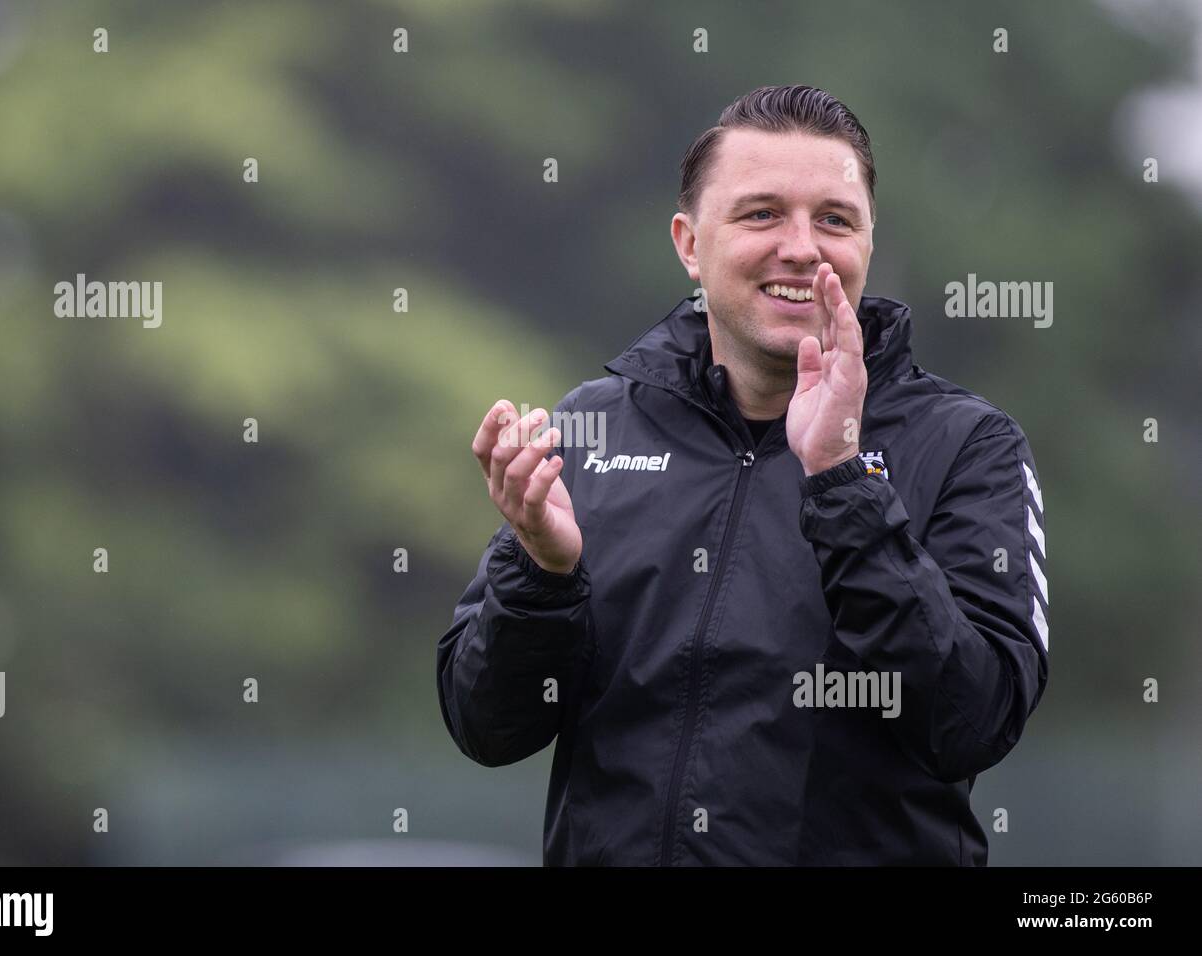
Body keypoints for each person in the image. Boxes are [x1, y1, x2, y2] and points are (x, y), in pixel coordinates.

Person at [436, 85, 1050, 865]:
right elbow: (484, 726)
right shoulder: (591, 430)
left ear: (868, 241)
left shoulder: (969, 445)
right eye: (762, 214)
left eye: (834, 218)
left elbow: (974, 720)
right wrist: (543, 574)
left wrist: (841, 479)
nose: (802, 247)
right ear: (689, 243)